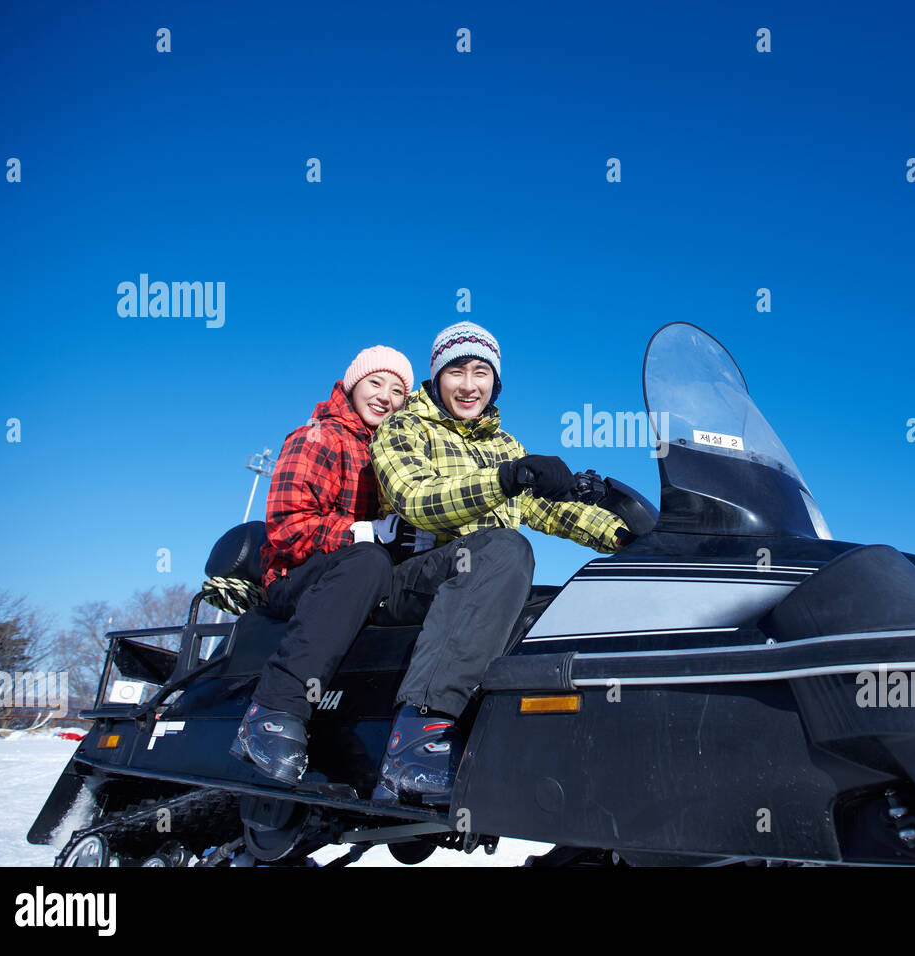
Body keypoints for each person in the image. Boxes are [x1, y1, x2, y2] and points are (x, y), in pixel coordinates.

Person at [367, 321, 631, 806]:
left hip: (482, 580)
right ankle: (418, 733)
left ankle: (559, 746)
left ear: (495, 380)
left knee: (569, 605)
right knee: (506, 548)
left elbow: (548, 509)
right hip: (411, 578)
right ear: (437, 377)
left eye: (481, 372)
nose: (469, 385)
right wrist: (506, 479)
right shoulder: (404, 426)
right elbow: (417, 499)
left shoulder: (504, 445)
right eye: (457, 371)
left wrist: (632, 538)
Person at [230, 346, 417, 785]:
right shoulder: (318, 437)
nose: (386, 397)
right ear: (353, 385)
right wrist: (361, 533)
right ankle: (273, 710)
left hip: (356, 577)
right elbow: (287, 526)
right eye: (376, 383)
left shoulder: (389, 457)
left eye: (397, 392)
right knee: (370, 562)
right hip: (295, 576)